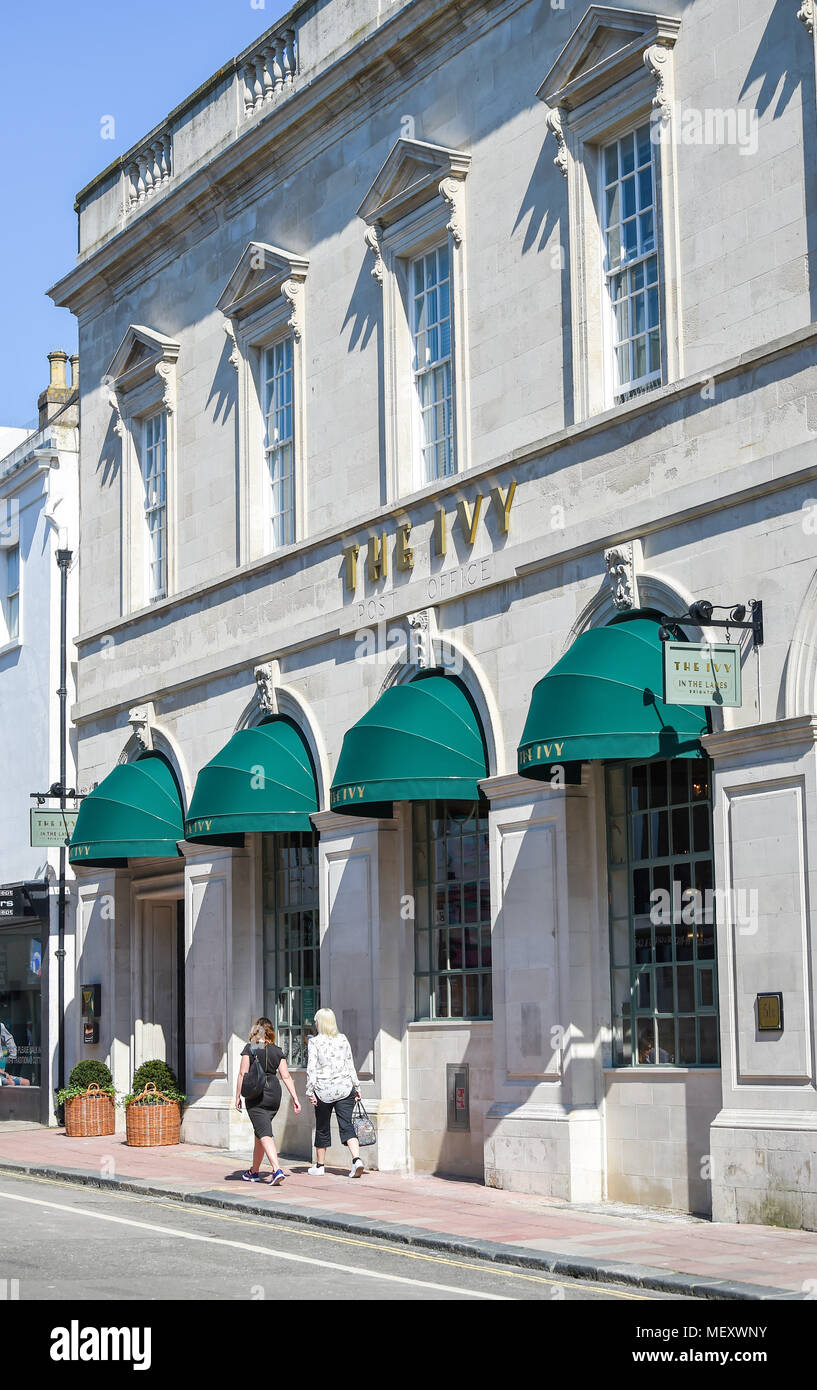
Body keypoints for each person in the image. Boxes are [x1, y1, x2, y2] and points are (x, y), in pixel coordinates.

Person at [235, 1017, 300, 1184]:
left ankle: (276, 1169)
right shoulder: (277, 1050)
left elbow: (243, 1073)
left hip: (257, 1094)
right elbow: (285, 1076)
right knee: (260, 1132)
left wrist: (237, 1097)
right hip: (274, 1094)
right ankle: (254, 1171)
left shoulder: (251, 1048)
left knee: (264, 1133)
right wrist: (295, 1097)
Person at [306, 1007, 364, 1178]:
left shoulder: (314, 1042)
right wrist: (357, 1087)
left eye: (316, 1021)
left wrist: (310, 1091)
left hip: (323, 1090)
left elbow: (312, 1069)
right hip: (345, 1088)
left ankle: (320, 1166)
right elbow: (350, 1064)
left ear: (320, 1023)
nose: (315, 1023)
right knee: (347, 1125)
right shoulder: (343, 1039)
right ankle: (356, 1160)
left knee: (322, 1126)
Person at [0, 1021, 30, 1087]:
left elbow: (9, 1039)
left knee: (26, 1082)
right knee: (11, 1083)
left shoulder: (0, 1026)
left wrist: (12, 1057)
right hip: (1, 1072)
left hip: (2, 1072)